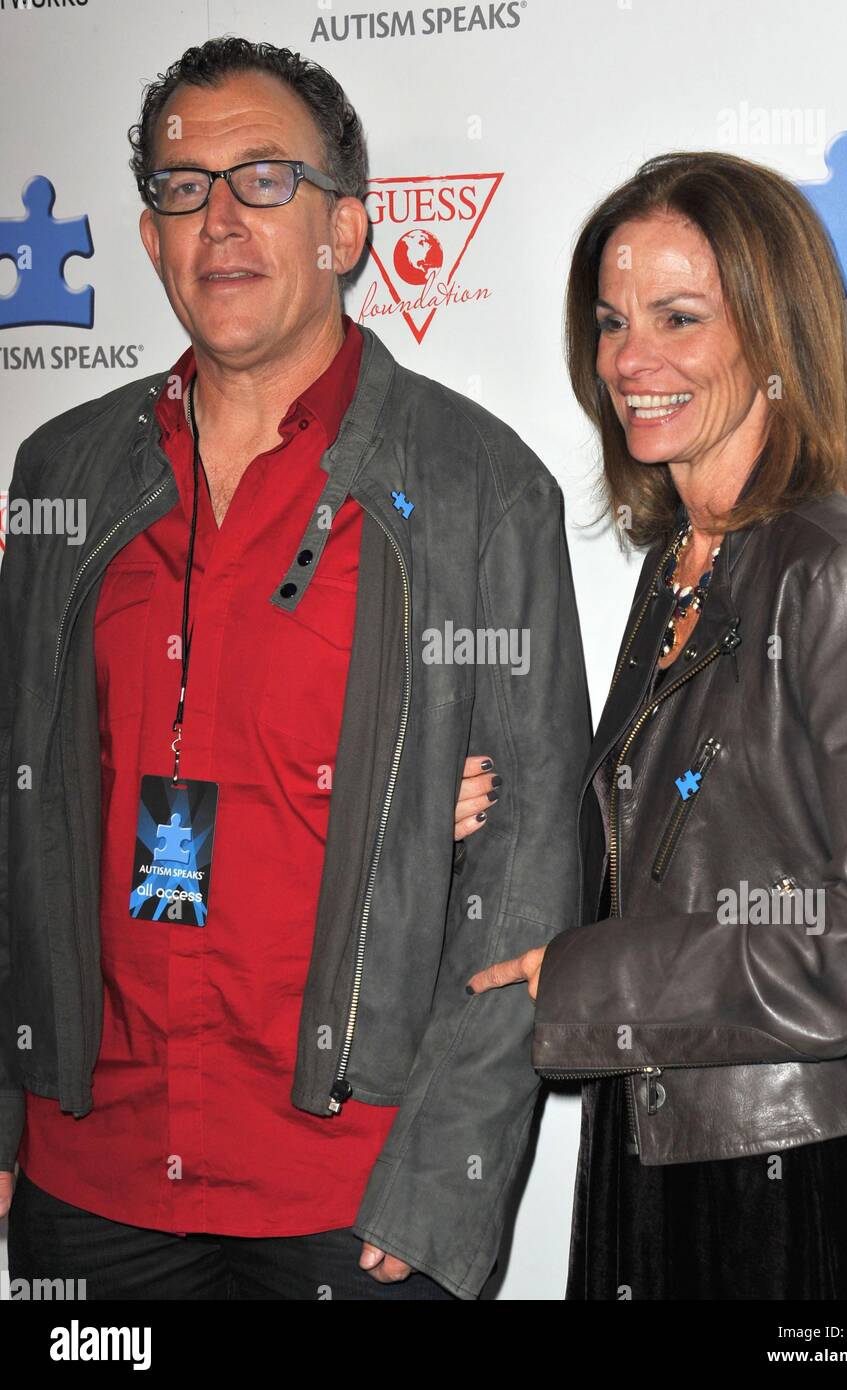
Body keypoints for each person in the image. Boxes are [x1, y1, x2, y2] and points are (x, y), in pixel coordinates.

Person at [0, 37, 591, 1301]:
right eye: (182, 186)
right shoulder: (59, 478)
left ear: (347, 226)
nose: (219, 219)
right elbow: (17, 803)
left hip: (353, 1197)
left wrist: (453, 1173)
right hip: (88, 1188)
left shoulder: (479, 488)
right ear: (150, 238)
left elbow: (531, 862)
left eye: (264, 179)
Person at [464, 151, 847, 1299]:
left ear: (772, 339)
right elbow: (658, 862)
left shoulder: (835, 569)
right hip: (654, 1135)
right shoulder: (673, 568)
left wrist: (603, 983)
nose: (630, 361)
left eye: (678, 317)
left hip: (786, 1166)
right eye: (611, 320)